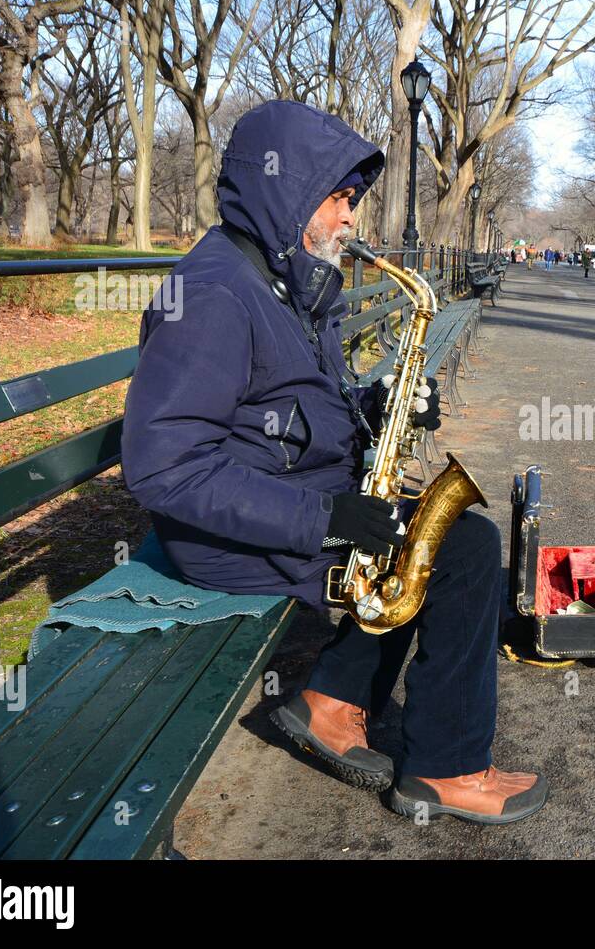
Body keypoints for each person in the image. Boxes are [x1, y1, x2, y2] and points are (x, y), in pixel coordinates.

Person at [120, 100, 547, 825]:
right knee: (462, 549)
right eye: (339, 197)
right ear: (283, 194)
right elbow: (165, 466)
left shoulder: (285, 278)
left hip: (284, 504)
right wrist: (324, 519)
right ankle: (446, 768)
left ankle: (334, 699)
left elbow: (289, 406)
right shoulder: (216, 293)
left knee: (427, 541)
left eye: (353, 198)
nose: (352, 218)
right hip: (231, 538)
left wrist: (378, 410)